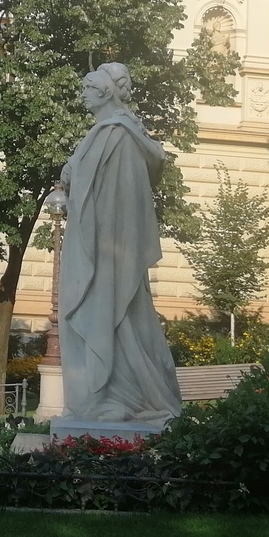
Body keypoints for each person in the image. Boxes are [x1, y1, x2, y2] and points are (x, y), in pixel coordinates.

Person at [57, 62, 184, 425]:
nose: (82, 92)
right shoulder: (108, 133)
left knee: (113, 318)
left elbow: (116, 200)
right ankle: (108, 395)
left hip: (105, 252)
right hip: (103, 249)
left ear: (105, 91)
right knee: (116, 320)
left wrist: (73, 173)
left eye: (87, 85)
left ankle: (115, 394)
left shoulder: (115, 135)